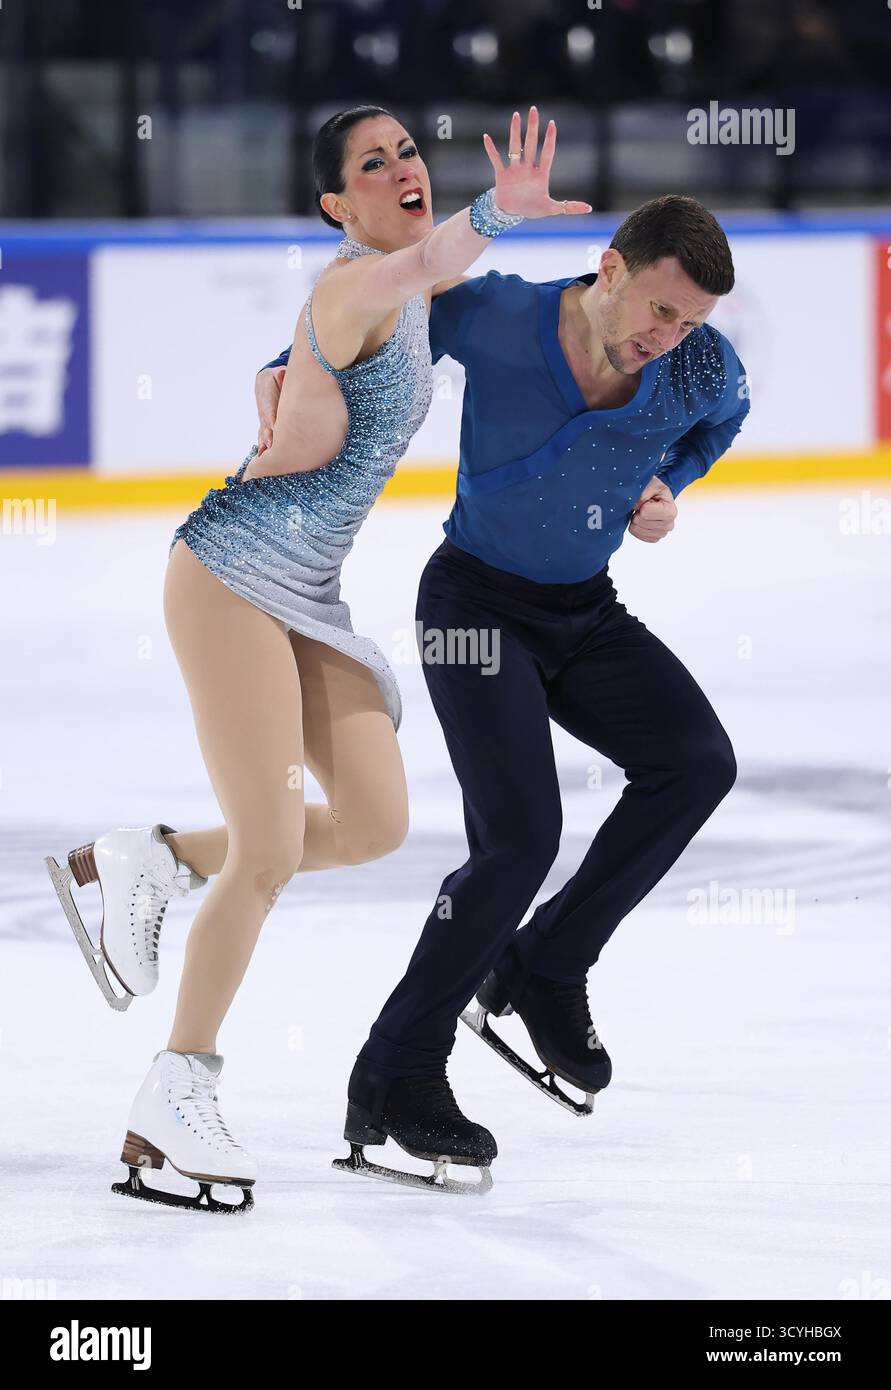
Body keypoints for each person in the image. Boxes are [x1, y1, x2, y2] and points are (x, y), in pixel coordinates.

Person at [45, 104, 590, 1208]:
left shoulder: (397, 285)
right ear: (336, 205)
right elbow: (393, 281)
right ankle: (174, 1095)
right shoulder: (361, 281)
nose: (402, 169)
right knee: (269, 851)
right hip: (232, 575)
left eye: (407, 154)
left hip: (310, 598)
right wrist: (500, 212)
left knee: (378, 822)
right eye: (371, 163)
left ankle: (151, 858)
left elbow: (397, 297)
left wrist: (278, 360)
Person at [254, 192, 750, 1152]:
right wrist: (283, 370)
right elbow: (369, 323)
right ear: (609, 267)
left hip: (583, 612)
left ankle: (546, 964)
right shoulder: (503, 315)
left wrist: (668, 486)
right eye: (659, 308)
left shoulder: (695, 365)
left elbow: (719, 418)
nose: (669, 336)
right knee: (518, 842)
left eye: (689, 320)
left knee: (696, 761)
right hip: (472, 610)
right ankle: (395, 1068)